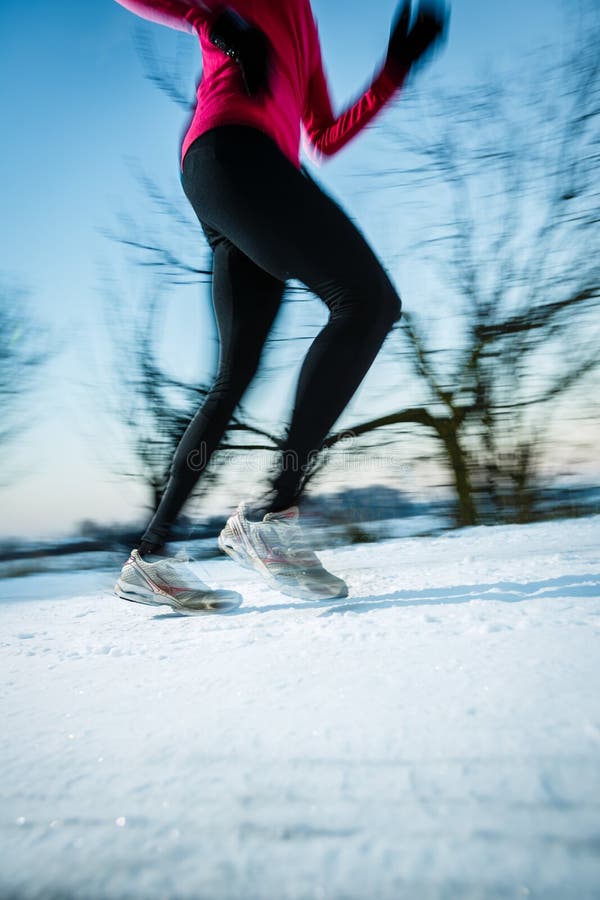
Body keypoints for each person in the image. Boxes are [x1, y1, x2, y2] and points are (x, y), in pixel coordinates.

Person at [112, 0, 448, 612]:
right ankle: (273, 514)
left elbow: (323, 135)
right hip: (233, 156)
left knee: (235, 375)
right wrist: (212, 20)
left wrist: (394, 70)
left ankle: (151, 557)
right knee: (366, 302)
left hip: (240, 172)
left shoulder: (303, 19)